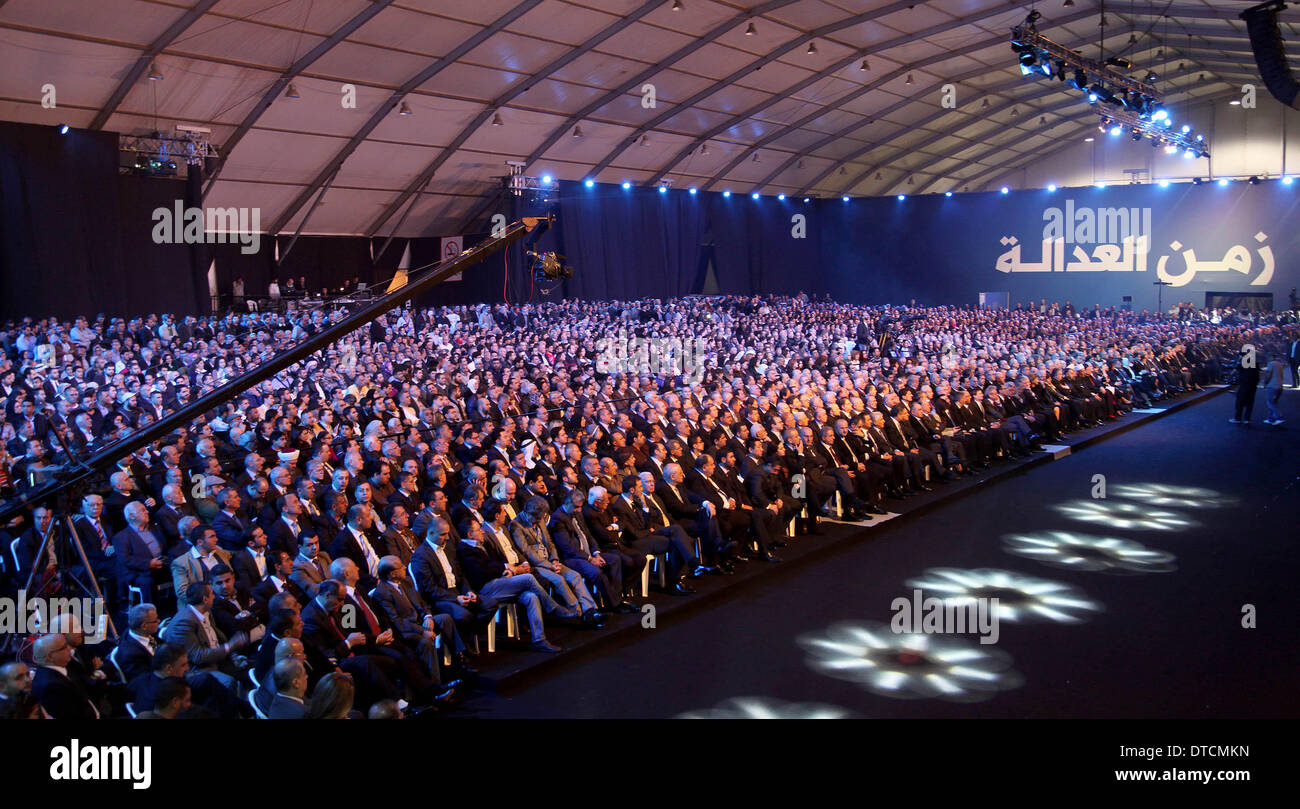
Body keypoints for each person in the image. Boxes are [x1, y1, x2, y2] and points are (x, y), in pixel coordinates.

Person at [1230, 346, 1262, 424]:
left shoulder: (1244, 360)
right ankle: (1247, 419)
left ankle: (1238, 418)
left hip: (1245, 383)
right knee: (1250, 402)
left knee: (1240, 401)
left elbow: (1238, 369)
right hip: (1253, 384)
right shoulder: (1254, 361)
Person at [1261, 351, 1286, 426]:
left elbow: (1269, 374)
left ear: (1271, 357)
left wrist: (1265, 383)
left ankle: (1279, 417)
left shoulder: (1271, 364)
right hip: (1279, 386)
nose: (1267, 359)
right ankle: (1271, 419)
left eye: (1267, 357)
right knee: (1274, 402)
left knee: (1270, 403)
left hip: (1272, 386)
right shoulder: (1279, 364)